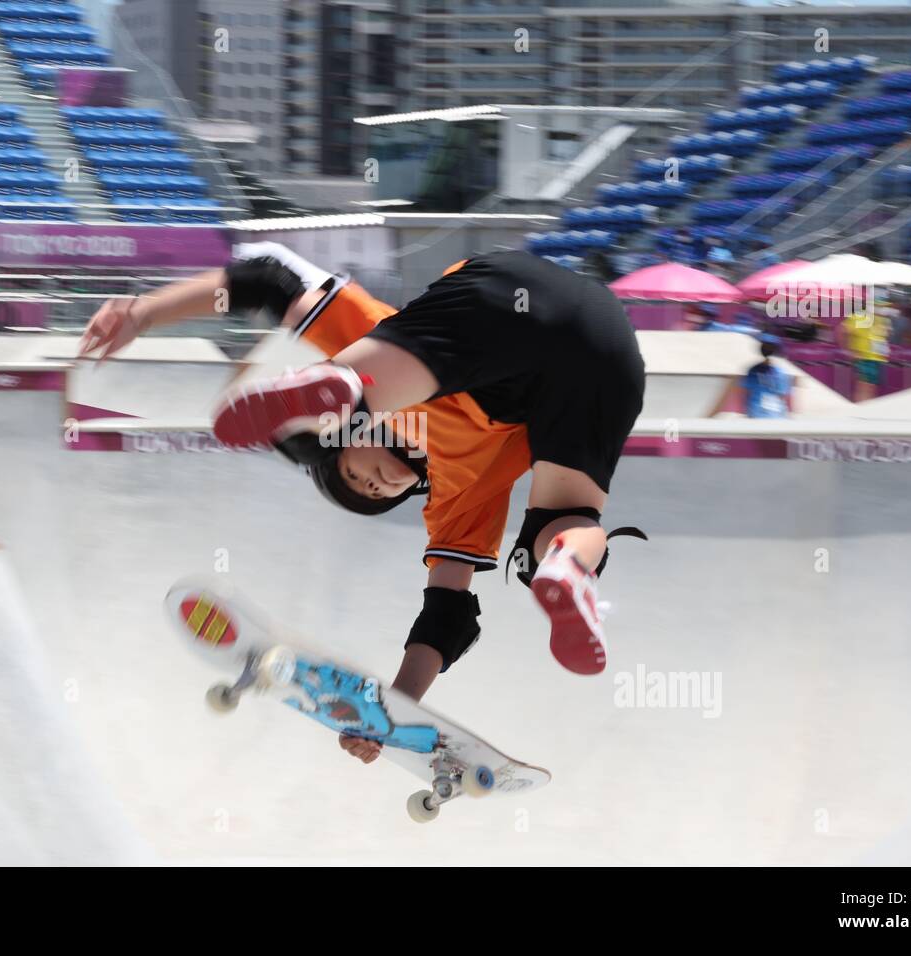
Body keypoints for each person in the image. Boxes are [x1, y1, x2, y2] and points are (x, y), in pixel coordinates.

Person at [79, 244, 647, 763]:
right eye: (378, 495)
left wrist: (145, 311)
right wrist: (393, 711)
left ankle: (347, 390)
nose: (374, 485)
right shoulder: (459, 492)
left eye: (354, 473)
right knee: (550, 535)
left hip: (500, 302)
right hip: (605, 349)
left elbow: (266, 279)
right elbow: (446, 614)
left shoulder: (368, 330)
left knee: (406, 354)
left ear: (341, 442)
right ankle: (567, 565)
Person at [842, 302, 892, 401]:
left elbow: (884, 336)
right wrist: (850, 351)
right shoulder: (857, 317)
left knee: (871, 387)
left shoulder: (882, 320)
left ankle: (866, 411)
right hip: (864, 357)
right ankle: (860, 412)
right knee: (864, 386)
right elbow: (843, 331)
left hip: (876, 358)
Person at [739, 335, 793, 419]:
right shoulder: (753, 370)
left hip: (768, 413)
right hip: (762, 412)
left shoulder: (780, 373)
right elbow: (782, 396)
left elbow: (747, 392)